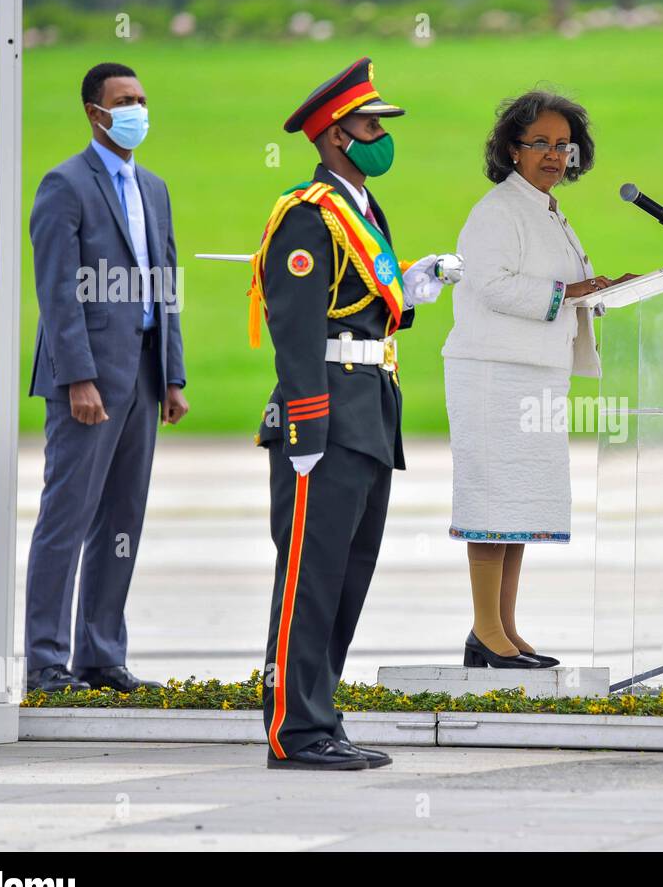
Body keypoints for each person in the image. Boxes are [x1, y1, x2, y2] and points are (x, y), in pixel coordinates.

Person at [251, 57, 449, 770]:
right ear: (336, 136)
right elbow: (296, 328)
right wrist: (304, 425)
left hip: (369, 414)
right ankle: (293, 731)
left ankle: (320, 715)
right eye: (370, 125)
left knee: (344, 576)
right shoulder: (307, 216)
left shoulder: (363, 211)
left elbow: (363, 313)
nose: (379, 135)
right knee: (308, 576)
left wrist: (412, 292)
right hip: (325, 419)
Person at [442, 90, 633, 669]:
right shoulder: (498, 210)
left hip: (536, 376)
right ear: (511, 149)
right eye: (541, 144)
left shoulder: (547, 209)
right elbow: (491, 285)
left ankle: (502, 628)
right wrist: (571, 293)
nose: (554, 155)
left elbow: (558, 290)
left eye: (563, 145)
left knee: (519, 504)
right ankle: (484, 632)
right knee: (492, 499)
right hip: (493, 376)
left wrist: (603, 291)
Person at [24, 62, 188, 696]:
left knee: (123, 519)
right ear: (95, 112)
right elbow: (58, 292)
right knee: (67, 517)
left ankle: (101, 654)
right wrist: (78, 378)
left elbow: (165, 286)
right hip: (87, 384)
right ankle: (45, 662)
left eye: (143, 99)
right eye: (125, 101)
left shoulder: (154, 187)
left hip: (144, 378)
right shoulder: (64, 185)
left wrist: (172, 375)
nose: (137, 110)